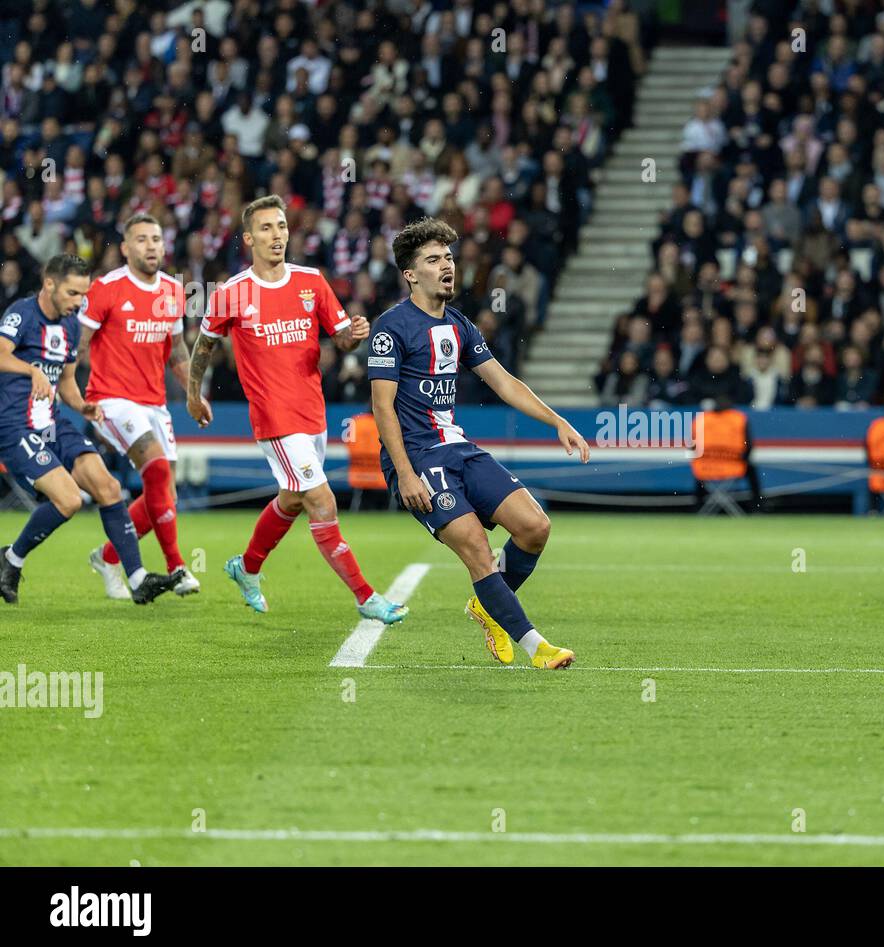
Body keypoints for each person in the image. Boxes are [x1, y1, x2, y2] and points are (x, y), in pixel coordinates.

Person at [368, 217, 588, 669]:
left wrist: (556, 420)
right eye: (433, 260)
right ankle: (536, 648)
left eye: (448, 257)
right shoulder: (391, 328)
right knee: (478, 552)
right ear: (410, 274)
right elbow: (382, 408)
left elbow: (503, 382)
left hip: (458, 448)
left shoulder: (460, 326)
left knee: (535, 528)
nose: (447, 265)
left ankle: (487, 607)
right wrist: (405, 472)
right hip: (416, 459)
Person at [187, 195, 408, 625]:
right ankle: (365, 597)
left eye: (283, 227)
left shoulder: (311, 281)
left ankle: (247, 568)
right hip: (273, 417)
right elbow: (204, 346)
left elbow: (341, 338)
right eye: (267, 228)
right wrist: (195, 394)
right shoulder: (231, 293)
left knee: (291, 498)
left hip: (313, 413)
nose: (277, 236)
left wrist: (355, 334)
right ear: (249, 238)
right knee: (322, 501)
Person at [0, 254, 181, 604]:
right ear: (49, 284)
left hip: (51, 421)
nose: (78, 303)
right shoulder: (21, 314)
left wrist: (82, 405)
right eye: (71, 293)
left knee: (108, 486)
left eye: (83, 295)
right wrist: (32, 370)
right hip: (14, 425)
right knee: (69, 499)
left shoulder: (70, 325)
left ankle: (139, 578)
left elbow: (66, 381)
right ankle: (12, 558)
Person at [79, 213, 200, 598]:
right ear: (126, 248)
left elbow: (178, 350)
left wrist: (193, 393)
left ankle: (108, 555)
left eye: (157, 239)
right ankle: (177, 567)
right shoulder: (105, 288)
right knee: (158, 468)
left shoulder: (172, 290)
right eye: (142, 239)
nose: (151, 246)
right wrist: (67, 390)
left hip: (155, 403)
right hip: (111, 399)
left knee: (164, 494)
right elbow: (79, 345)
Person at [690, 392, 762, 512]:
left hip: (705, 467)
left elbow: (692, 446)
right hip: (733, 466)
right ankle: (757, 507)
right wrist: (741, 460)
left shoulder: (702, 419)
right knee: (751, 470)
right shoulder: (738, 418)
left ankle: (698, 506)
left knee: (699, 477)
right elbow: (748, 446)